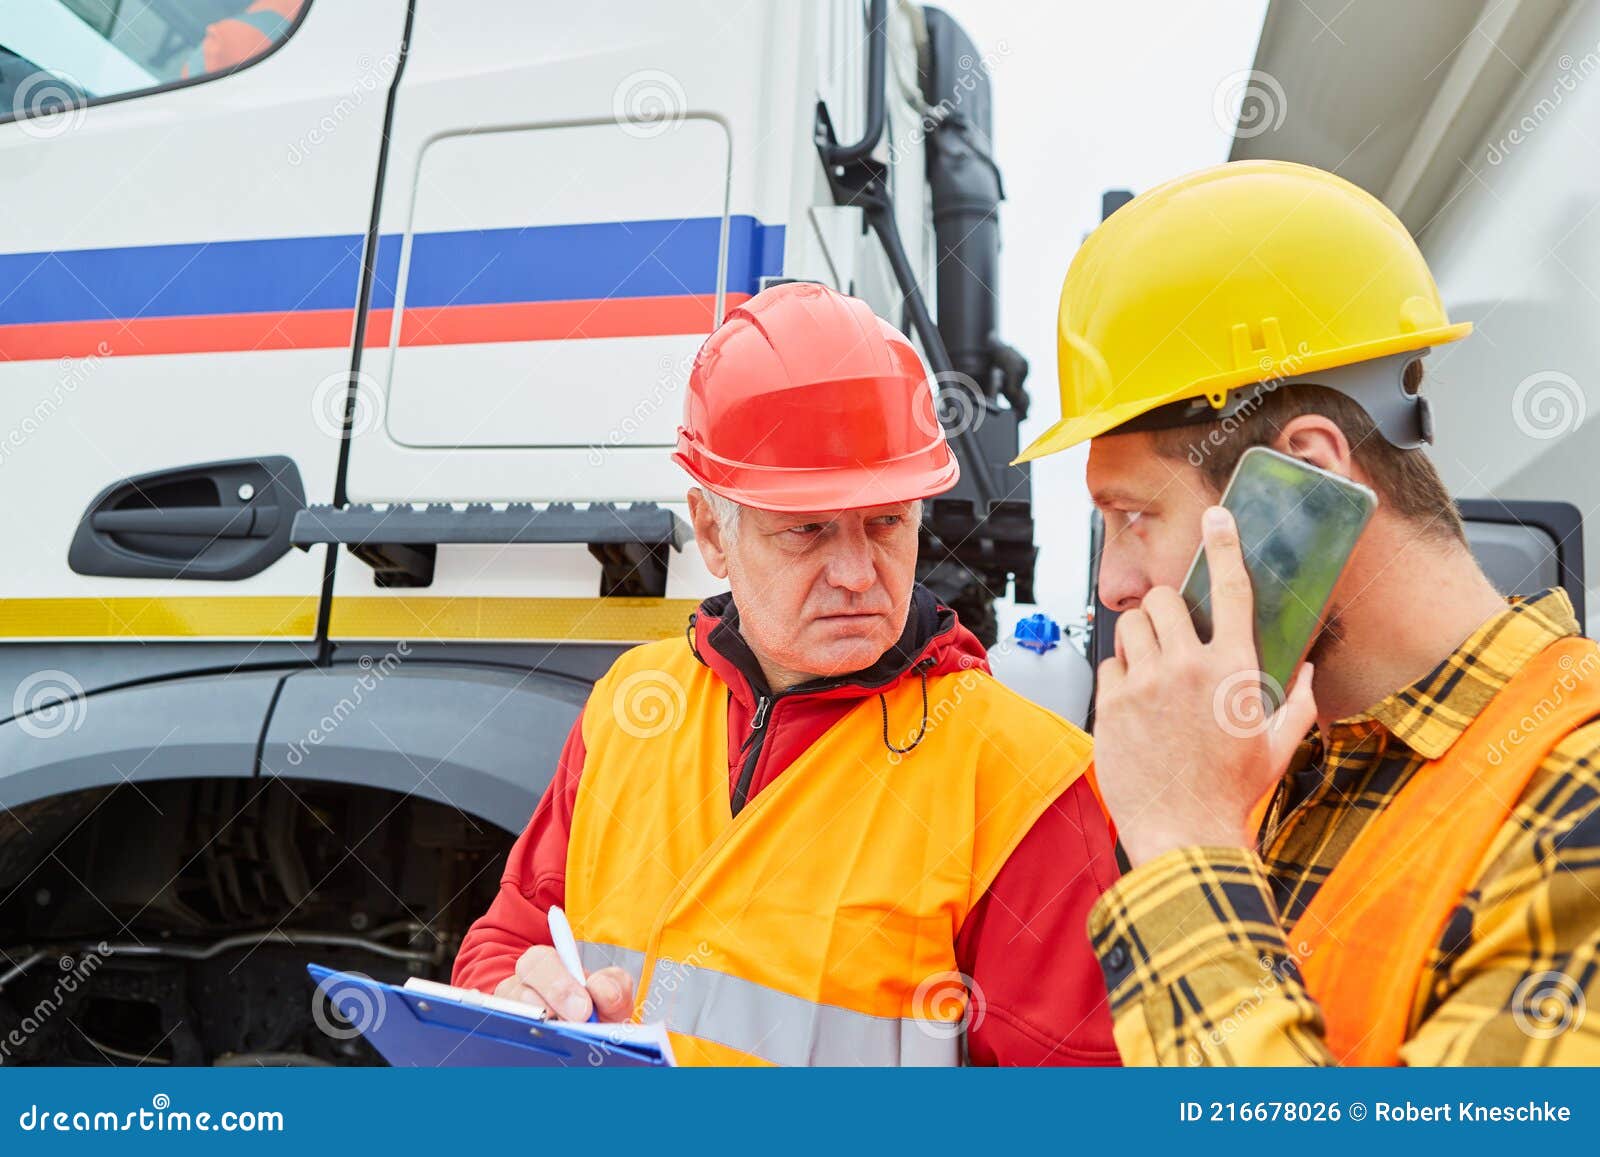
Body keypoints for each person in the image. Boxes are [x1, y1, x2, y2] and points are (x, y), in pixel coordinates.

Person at [1017, 158, 1600, 1065]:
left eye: (1135, 516)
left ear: (1309, 477)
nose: (1113, 584)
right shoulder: (1274, 764)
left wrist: (1186, 843)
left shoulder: (1578, 801)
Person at [453, 282, 1120, 1066]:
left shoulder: (1024, 779)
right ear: (711, 530)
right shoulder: (633, 703)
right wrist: (512, 997)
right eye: (805, 529)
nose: (854, 572)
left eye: (886, 521)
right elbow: (510, 936)